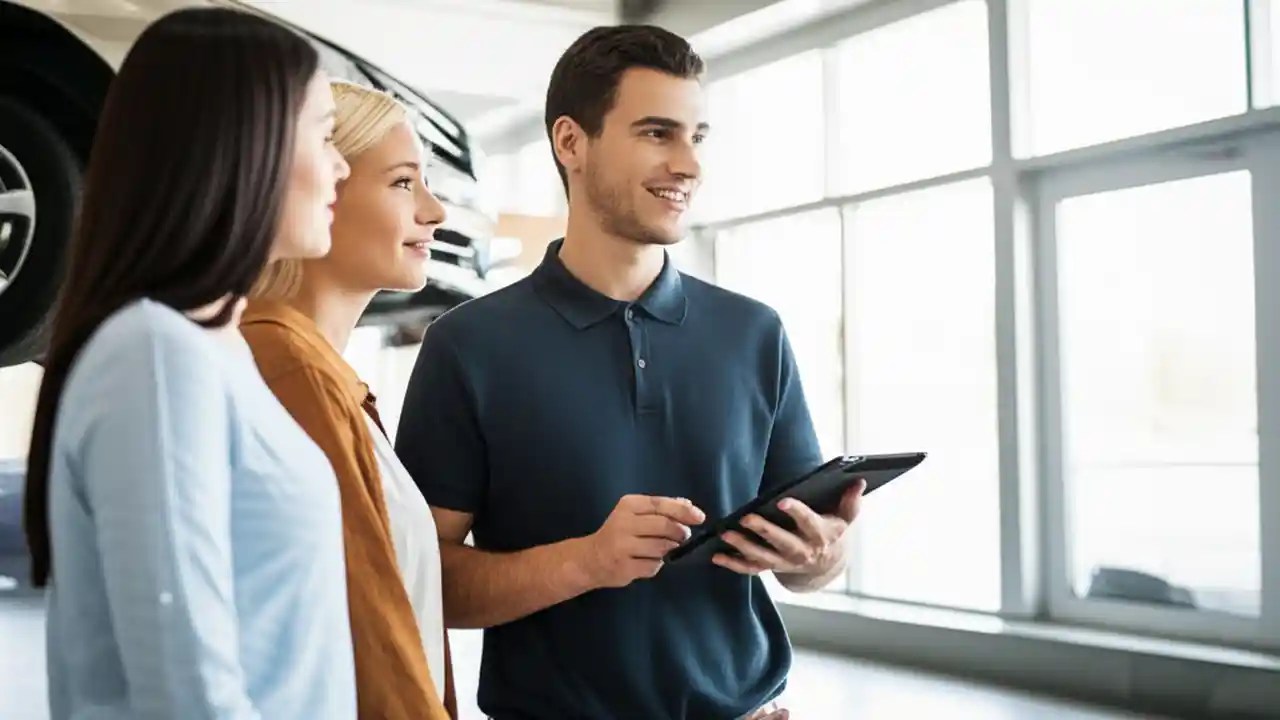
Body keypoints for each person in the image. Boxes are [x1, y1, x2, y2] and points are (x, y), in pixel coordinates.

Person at [395, 24, 865, 720]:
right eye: (656, 133)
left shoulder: (754, 333)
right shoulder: (467, 346)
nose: (689, 164)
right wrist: (585, 562)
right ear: (570, 143)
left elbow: (811, 560)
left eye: (696, 136)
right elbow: (419, 583)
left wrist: (820, 556)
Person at [23, 8, 355, 719]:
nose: (342, 166)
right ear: (246, 144)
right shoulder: (155, 354)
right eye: (325, 136)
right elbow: (186, 689)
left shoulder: (216, 350)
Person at [243, 81, 454, 720]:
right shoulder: (285, 369)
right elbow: (371, 637)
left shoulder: (323, 374)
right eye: (401, 182)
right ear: (319, 184)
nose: (435, 209)